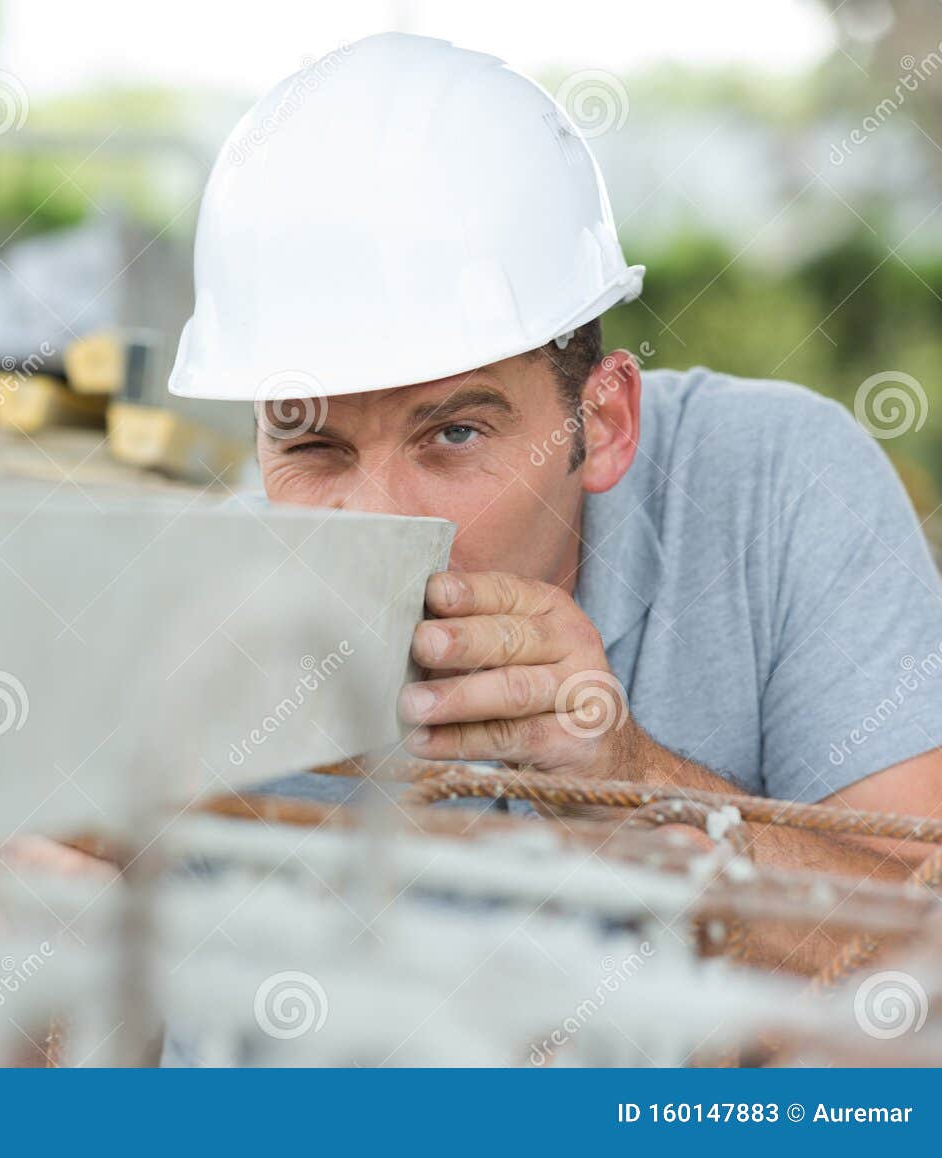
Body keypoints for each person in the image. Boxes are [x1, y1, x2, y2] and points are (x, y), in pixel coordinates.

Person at [168, 32, 942, 967]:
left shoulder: (779, 491)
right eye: (312, 445)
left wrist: (633, 786)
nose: (378, 519)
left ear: (604, 421)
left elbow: (919, 958)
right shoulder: (195, 624)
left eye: (455, 434)